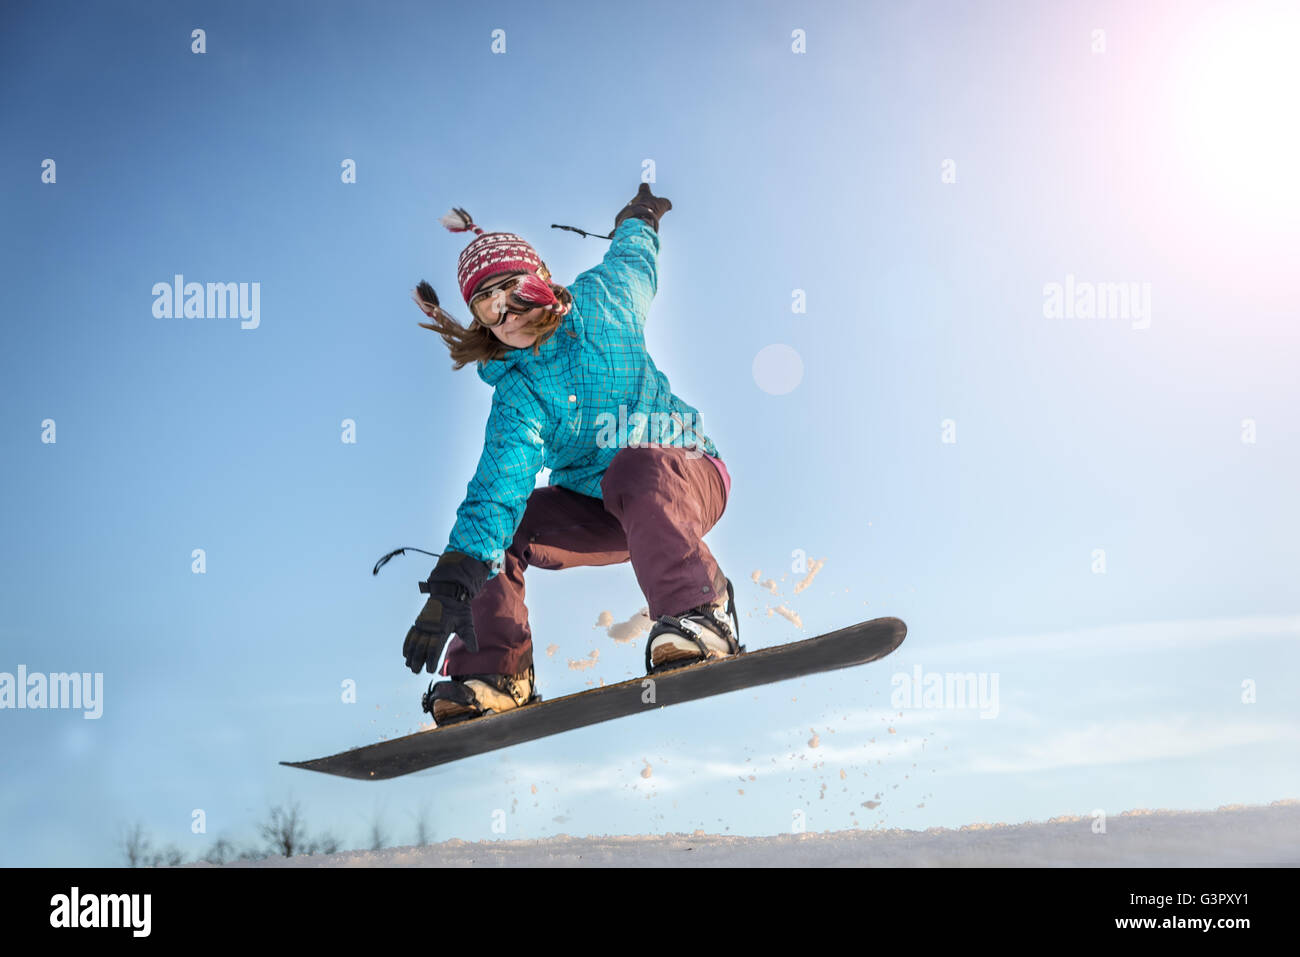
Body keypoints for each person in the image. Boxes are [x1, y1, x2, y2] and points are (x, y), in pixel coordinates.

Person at [405, 183, 739, 725]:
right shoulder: (519, 393)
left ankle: (702, 612)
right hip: (603, 511)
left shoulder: (605, 301)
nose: (505, 315)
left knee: (635, 465)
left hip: (686, 473)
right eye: (487, 308)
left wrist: (640, 216)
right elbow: (497, 490)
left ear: (538, 280)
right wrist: (455, 579)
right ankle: (497, 671)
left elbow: (634, 259)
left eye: (511, 292)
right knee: (505, 528)